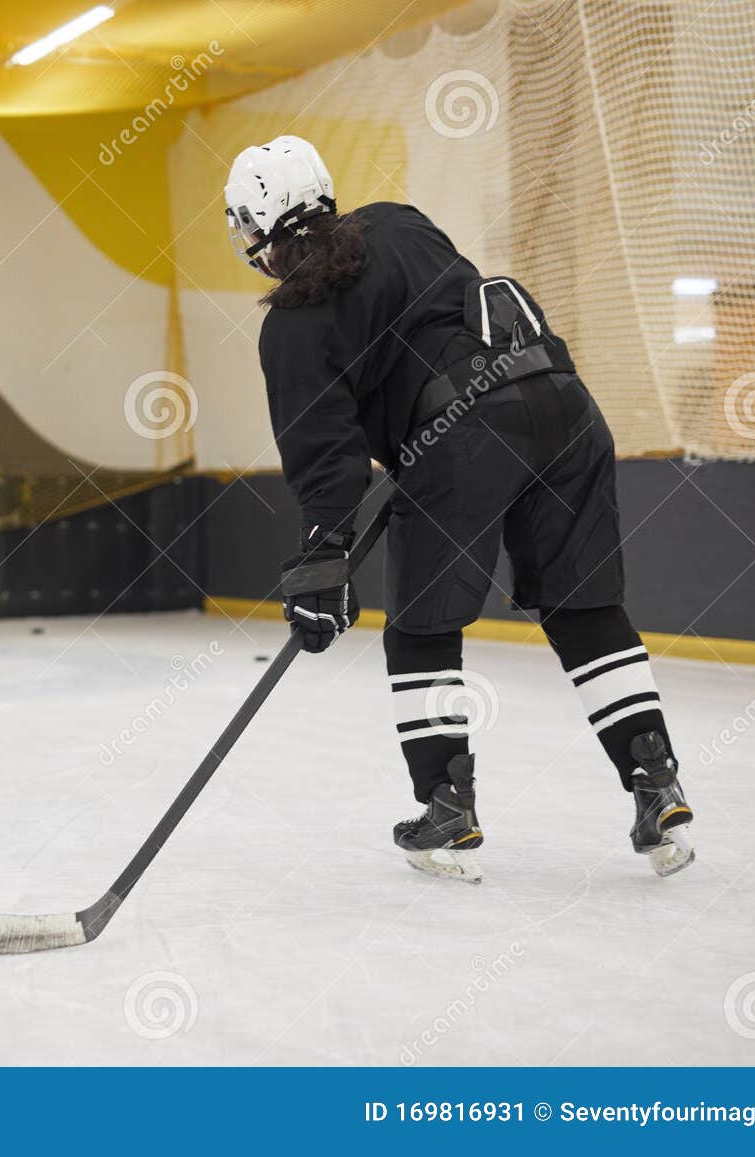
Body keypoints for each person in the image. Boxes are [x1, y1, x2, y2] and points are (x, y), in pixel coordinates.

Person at [224, 134, 694, 882]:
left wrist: (323, 551)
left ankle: (447, 804)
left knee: (421, 626)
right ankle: (654, 778)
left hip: (464, 438)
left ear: (262, 224)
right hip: (564, 405)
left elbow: (325, 453)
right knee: (583, 606)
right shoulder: (399, 222)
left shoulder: (291, 323)